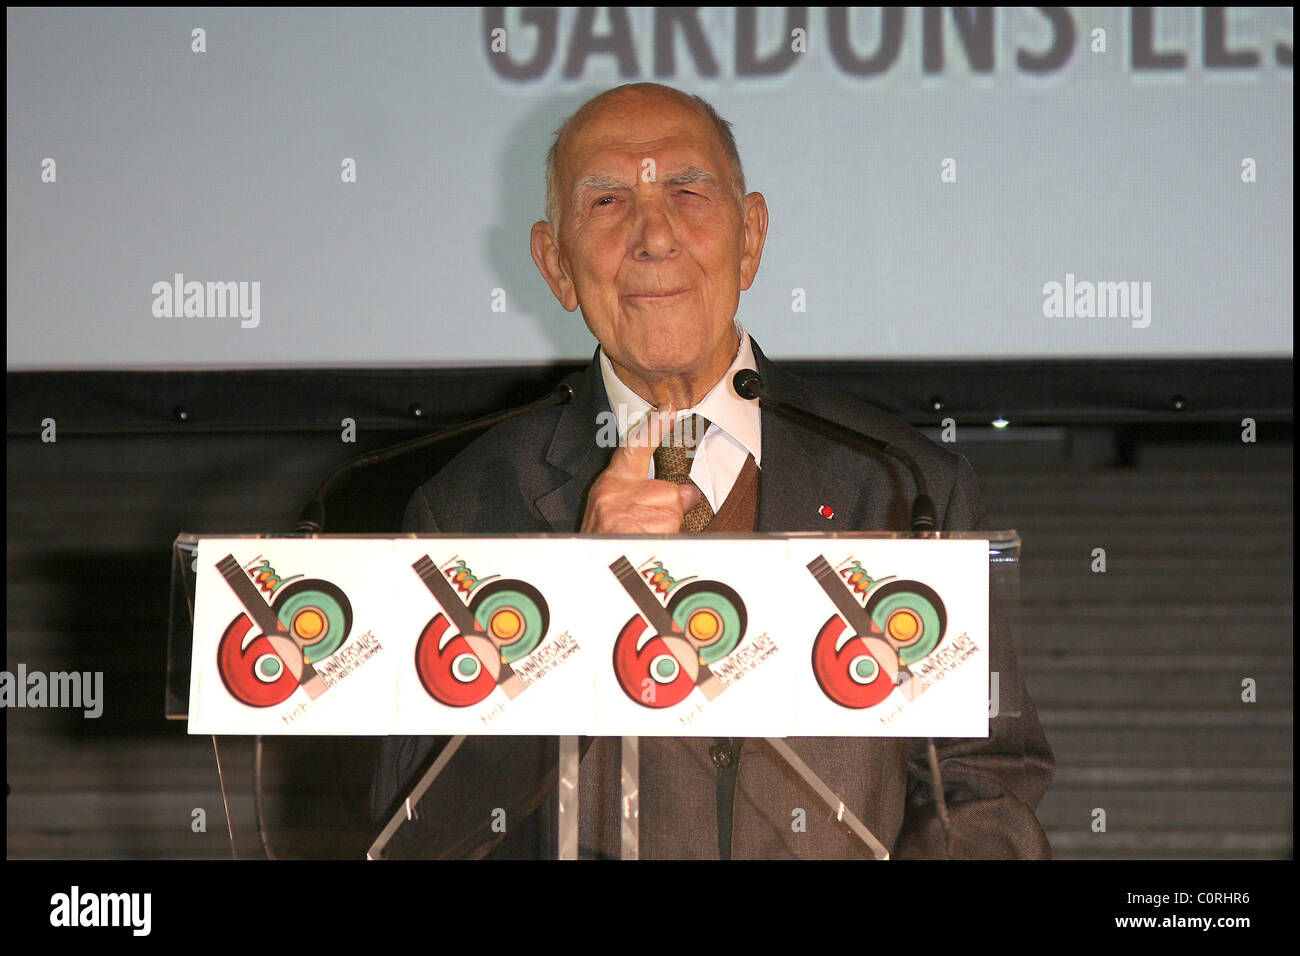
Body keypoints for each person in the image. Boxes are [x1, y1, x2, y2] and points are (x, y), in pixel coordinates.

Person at [371, 82, 1054, 859]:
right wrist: (575, 609)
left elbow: (982, 786)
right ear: (556, 266)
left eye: (689, 192)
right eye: (607, 204)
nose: (655, 236)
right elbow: (422, 829)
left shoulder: (907, 485)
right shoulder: (464, 510)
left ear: (752, 237)